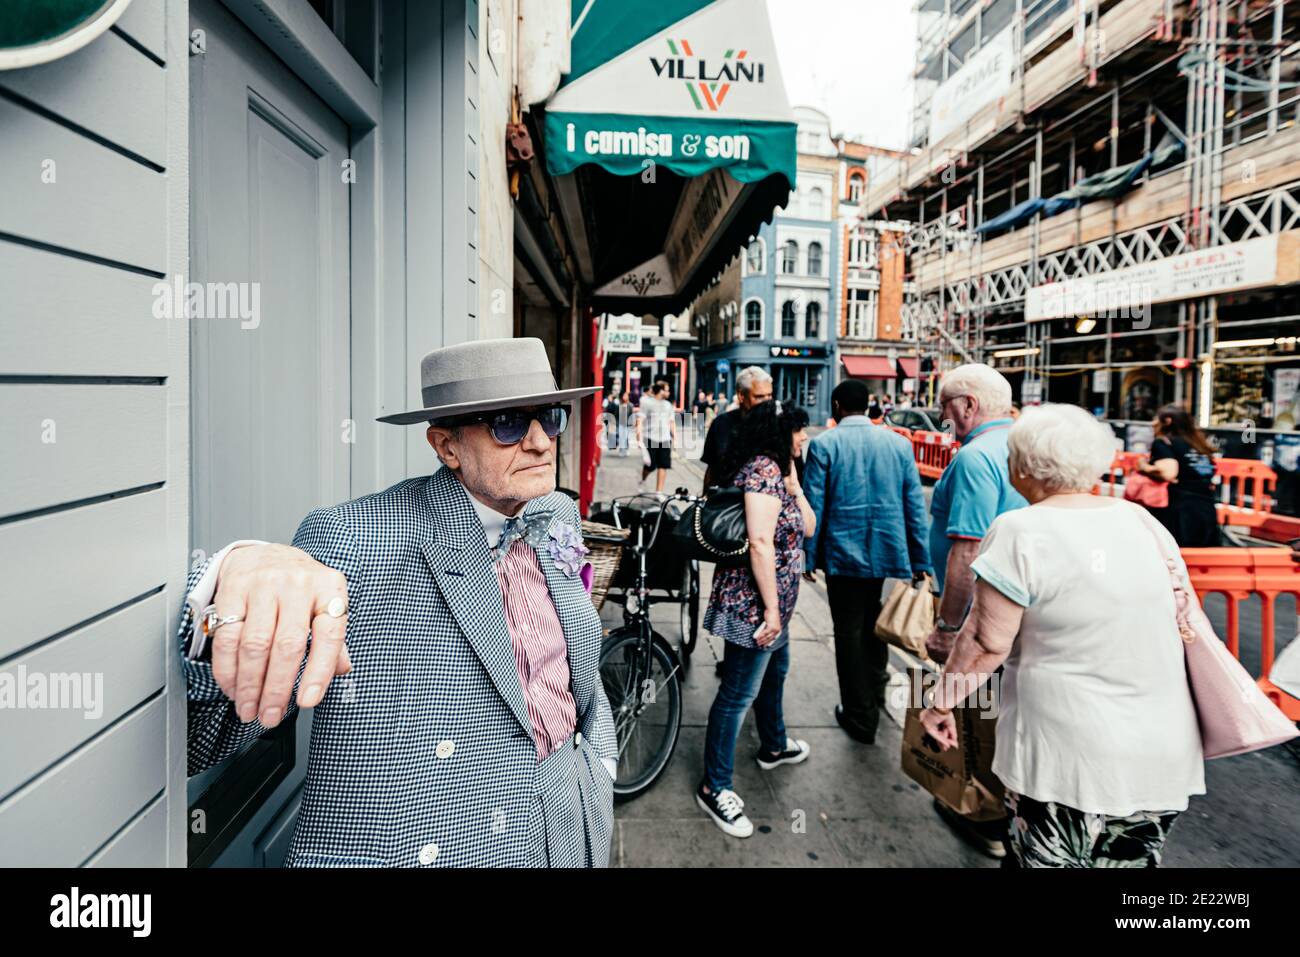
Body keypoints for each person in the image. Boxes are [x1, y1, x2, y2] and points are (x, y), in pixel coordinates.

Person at [177, 338, 617, 867]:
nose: (541, 443)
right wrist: (229, 581)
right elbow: (205, 738)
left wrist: (600, 765)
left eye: (549, 417)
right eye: (506, 423)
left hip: (572, 819)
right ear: (446, 445)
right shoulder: (352, 540)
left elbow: (574, 669)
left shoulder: (556, 514)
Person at [919, 404, 1205, 867]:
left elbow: (986, 644)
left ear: (1025, 467)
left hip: (1068, 757)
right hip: (1161, 749)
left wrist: (939, 705)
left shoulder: (1020, 530)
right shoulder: (1143, 523)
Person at [697, 402, 816, 837]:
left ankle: (774, 743)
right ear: (779, 432)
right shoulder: (762, 472)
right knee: (737, 694)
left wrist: (796, 484)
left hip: (775, 605)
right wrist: (770, 611)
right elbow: (760, 544)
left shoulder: (779, 472)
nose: (805, 438)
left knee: (776, 673)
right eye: (799, 431)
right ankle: (715, 785)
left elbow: (807, 528)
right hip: (754, 605)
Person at [923, 363, 1028, 858]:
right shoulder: (1025, 450)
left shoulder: (974, 458)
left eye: (946, 407)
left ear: (968, 404)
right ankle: (1007, 807)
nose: (944, 419)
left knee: (976, 712)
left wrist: (946, 627)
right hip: (1026, 608)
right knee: (1006, 709)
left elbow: (966, 550)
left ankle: (985, 816)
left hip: (982, 614)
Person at [803, 379, 931, 745]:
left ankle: (860, 717)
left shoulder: (825, 444)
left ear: (838, 406)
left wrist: (808, 557)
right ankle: (876, 686)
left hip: (843, 555)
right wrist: (920, 559)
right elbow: (913, 507)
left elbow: (815, 505)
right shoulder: (899, 444)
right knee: (873, 619)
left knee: (848, 633)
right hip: (885, 552)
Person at [1136, 404, 1219, 547]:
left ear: (1167, 421)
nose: (1153, 423)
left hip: (1180, 511)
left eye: (1156, 419)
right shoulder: (1198, 444)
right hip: (1207, 509)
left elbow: (1168, 473)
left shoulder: (1163, 442)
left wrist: (1143, 466)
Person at [701, 366, 773, 487]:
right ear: (741, 396)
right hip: (727, 501)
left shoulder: (780, 424)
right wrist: (706, 499)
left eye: (769, 395)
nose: (767, 402)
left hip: (767, 503)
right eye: (759, 396)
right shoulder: (721, 424)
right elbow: (712, 469)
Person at [637, 379, 677, 493]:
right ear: (660, 391)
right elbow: (640, 420)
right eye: (667, 390)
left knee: (663, 466)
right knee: (650, 466)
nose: (669, 393)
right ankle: (643, 480)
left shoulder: (668, 405)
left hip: (665, 439)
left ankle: (659, 492)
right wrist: (639, 438)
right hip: (650, 438)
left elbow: (671, 422)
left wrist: (675, 438)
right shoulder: (647, 403)